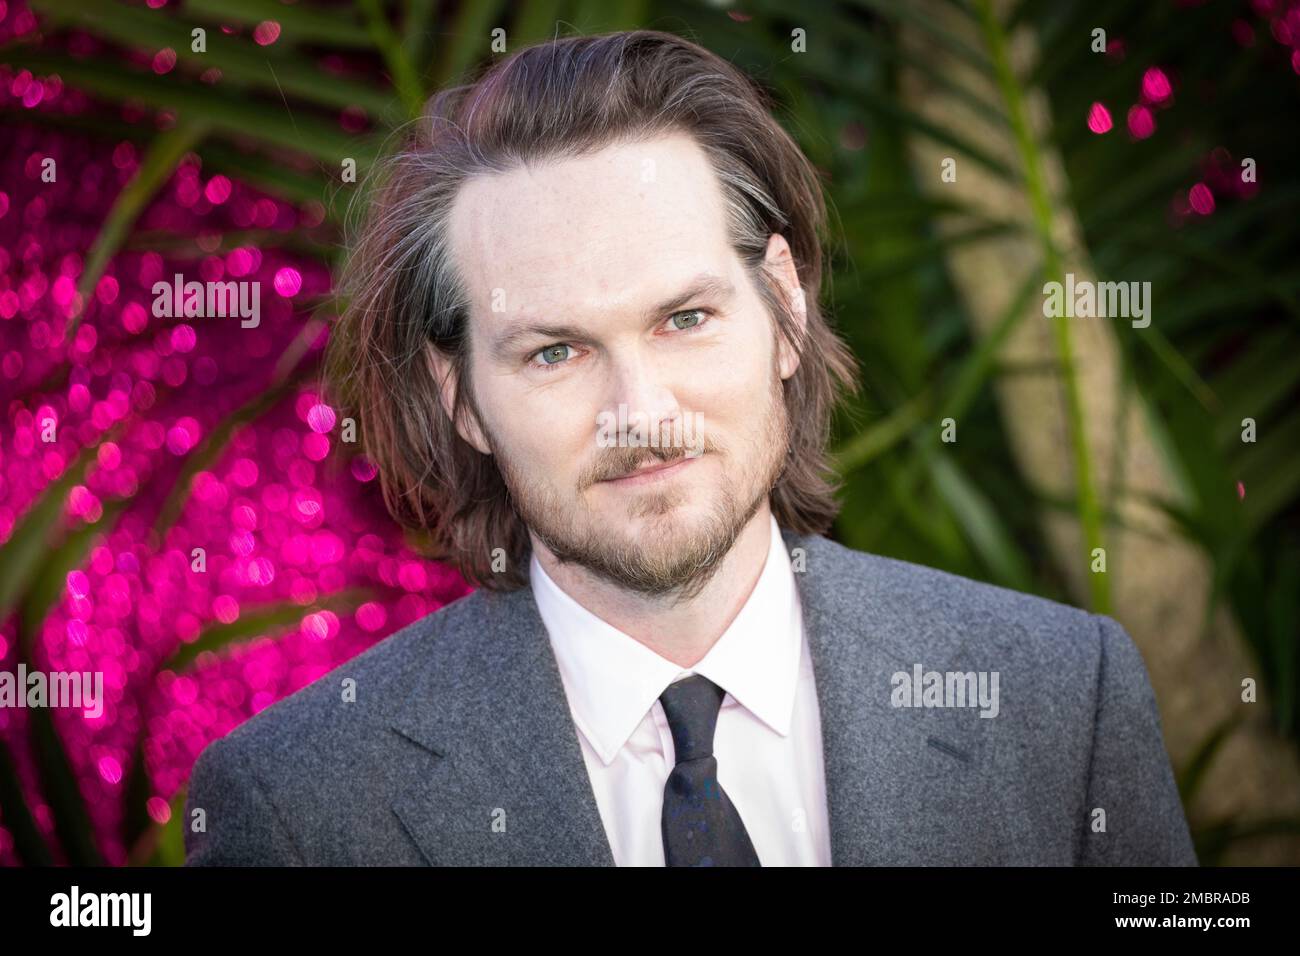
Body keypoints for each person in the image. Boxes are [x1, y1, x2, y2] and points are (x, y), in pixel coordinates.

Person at [184, 29, 1196, 866]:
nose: (639, 408)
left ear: (786, 308)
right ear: (462, 399)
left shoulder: (1063, 697)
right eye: (554, 350)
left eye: (684, 318)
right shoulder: (298, 808)